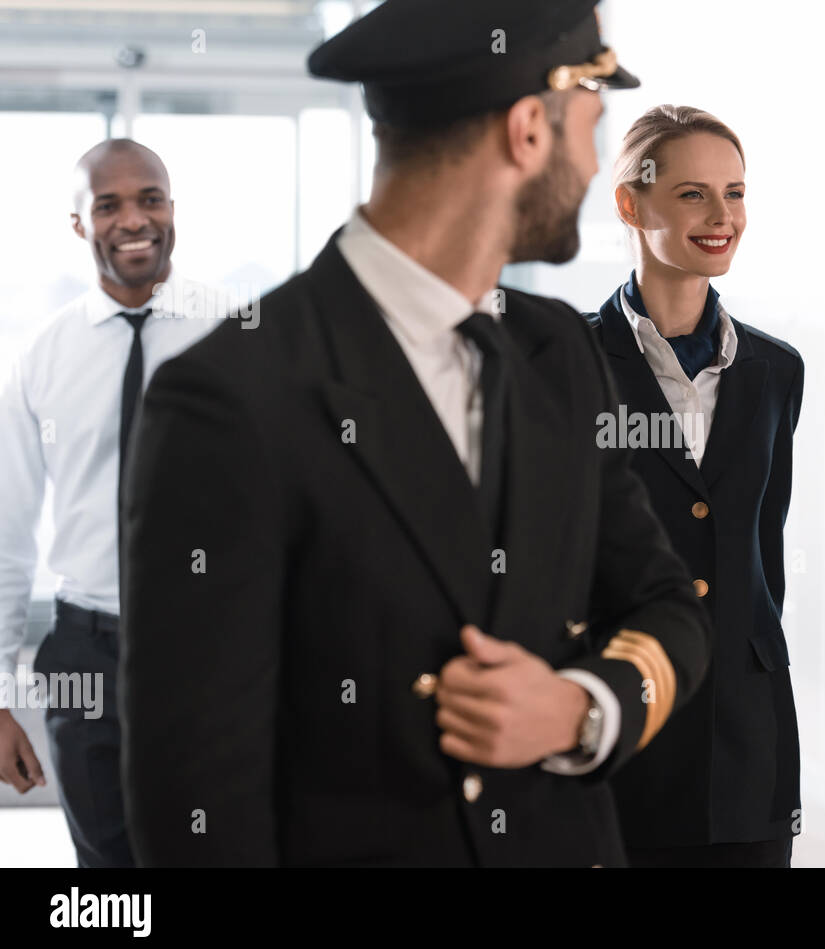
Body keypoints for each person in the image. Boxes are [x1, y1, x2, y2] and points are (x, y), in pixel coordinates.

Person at [118, 0, 711, 867]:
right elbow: (197, 810)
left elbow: (668, 604)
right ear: (528, 133)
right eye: (593, 120)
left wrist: (584, 706)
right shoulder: (229, 396)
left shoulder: (557, 356)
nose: (594, 161)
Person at [587, 105, 803, 867]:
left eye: (735, 193)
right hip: (615, 746)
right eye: (692, 195)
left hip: (747, 756)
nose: (723, 217)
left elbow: (759, 559)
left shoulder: (777, 371)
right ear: (629, 203)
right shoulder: (565, 362)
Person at [0, 139, 222, 866]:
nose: (134, 220)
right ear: (78, 224)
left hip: (211, 643)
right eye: (109, 204)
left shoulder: (238, 334)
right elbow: (8, 531)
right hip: (85, 649)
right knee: (109, 871)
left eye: (150, 198)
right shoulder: (43, 354)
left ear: (172, 211)